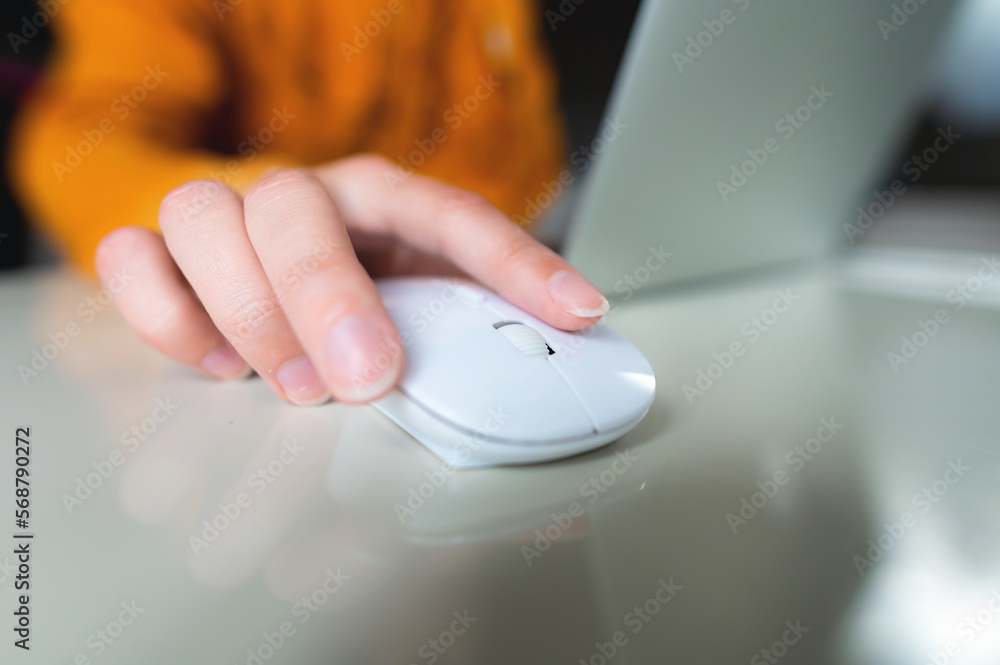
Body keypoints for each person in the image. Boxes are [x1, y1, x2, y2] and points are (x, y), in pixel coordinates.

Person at [10, 0, 610, 406]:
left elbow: (519, 138)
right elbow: (86, 134)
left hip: (513, 262)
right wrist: (237, 203)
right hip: (246, 329)